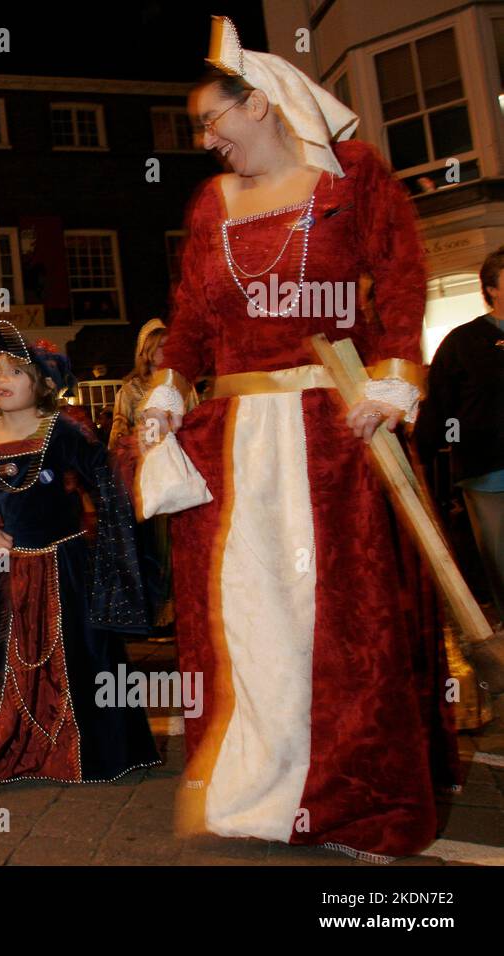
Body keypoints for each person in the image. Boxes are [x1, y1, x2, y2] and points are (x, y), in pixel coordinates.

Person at [135, 17, 456, 860]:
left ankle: (354, 798)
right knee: (253, 618)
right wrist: (166, 392)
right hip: (234, 441)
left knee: (345, 624)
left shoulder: (355, 178)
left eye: (214, 121)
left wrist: (393, 377)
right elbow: (193, 322)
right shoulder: (210, 205)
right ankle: (258, 789)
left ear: (265, 103)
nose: (206, 141)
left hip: (330, 434)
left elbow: (400, 279)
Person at [0, 322, 158, 783]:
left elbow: (107, 481)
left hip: (65, 567)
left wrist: (139, 471)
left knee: (84, 655)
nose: (1, 380)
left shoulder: (63, 431)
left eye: (15, 371)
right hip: (7, 570)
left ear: (44, 383)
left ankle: (100, 747)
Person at [418, 248, 504, 623]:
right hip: (487, 470)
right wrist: (422, 455)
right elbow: (440, 405)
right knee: (500, 559)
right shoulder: (463, 342)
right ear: (491, 289)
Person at [109, 319, 196, 630]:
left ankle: (183, 606)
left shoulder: (183, 384)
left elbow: (196, 422)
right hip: (145, 474)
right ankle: (156, 609)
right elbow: (118, 433)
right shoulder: (131, 390)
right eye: (160, 346)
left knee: (182, 541)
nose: (166, 351)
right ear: (146, 352)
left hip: (179, 470)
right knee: (152, 545)